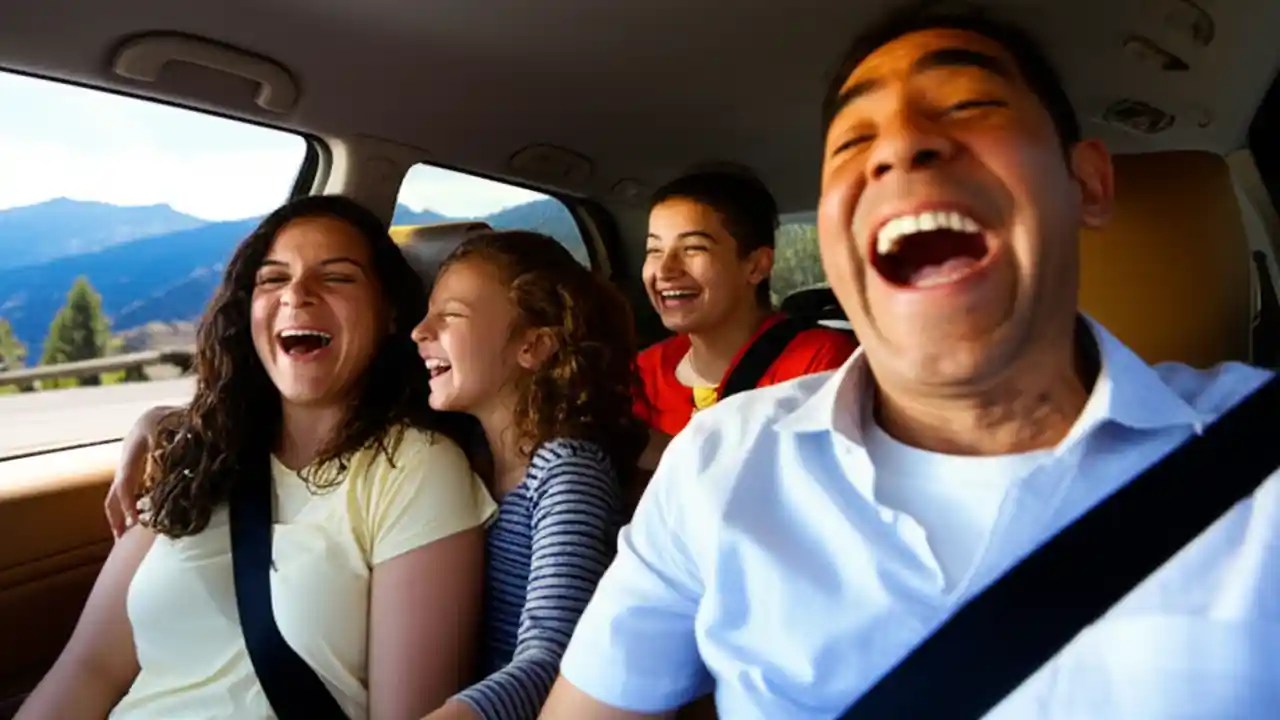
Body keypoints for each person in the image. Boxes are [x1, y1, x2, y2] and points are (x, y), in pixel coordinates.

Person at [542, 5, 1278, 719]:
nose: (897, 148)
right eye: (852, 142)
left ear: (1086, 182)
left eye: (969, 105)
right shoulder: (718, 467)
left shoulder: (1257, 461)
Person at [20, 195, 496, 720]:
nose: (296, 294)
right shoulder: (200, 455)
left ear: (389, 314)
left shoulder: (415, 468)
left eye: (337, 277)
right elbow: (87, 671)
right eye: (273, 279)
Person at [411, 231, 647, 720]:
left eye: (450, 316)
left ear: (533, 345)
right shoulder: (459, 460)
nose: (419, 331)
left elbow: (551, 662)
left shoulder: (567, 472)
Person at [635, 169, 858, 447]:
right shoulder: (642, 374)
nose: (666, 270)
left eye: (693, 248)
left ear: (756, 266)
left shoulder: (819, 363)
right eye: (654, 250)